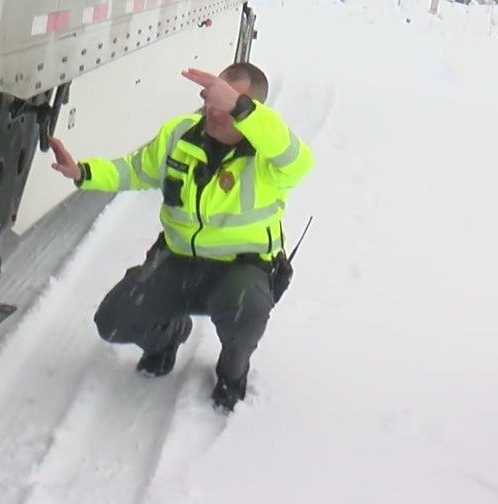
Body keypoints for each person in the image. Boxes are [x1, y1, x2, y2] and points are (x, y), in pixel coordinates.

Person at [48, 62, 314, 412]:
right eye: (211, 99)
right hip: (179, 263)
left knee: (246, 312)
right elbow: (135, 170)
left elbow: (298, 159)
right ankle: (167, 339)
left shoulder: (271, 157)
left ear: (252, 110)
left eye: (229, 104)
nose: (214, 111)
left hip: (241, 272)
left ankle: (232, 372)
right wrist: (84, 172)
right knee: (113, 322)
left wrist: (240, 108)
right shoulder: (180, 134)